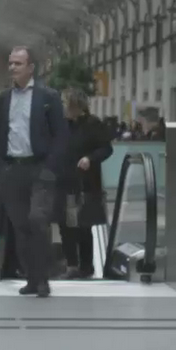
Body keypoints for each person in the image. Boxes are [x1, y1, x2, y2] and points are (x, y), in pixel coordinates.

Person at [0, 46, 69, 297]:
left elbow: (61, 135)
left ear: (31, 68)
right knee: (21, 227)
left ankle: (43, 277)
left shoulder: (48, 97)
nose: (12, 67)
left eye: (18, 64)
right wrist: (2, 169)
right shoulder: (2, 99)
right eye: (11, 63)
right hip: (13, 170)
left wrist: (50, 168)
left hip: (40, 169)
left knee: (38, 221)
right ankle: (31, 278)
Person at [51, 90, 113, 279]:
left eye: (66, 103)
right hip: (65, 182)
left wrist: (90, 158)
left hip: (84, 184)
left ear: (76, 106)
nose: (63, 107)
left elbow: (106, 148)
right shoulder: (61, 125)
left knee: (83, 225)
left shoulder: (92, 124)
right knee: (67, 224)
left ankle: (86, 265)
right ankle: (72, 264)